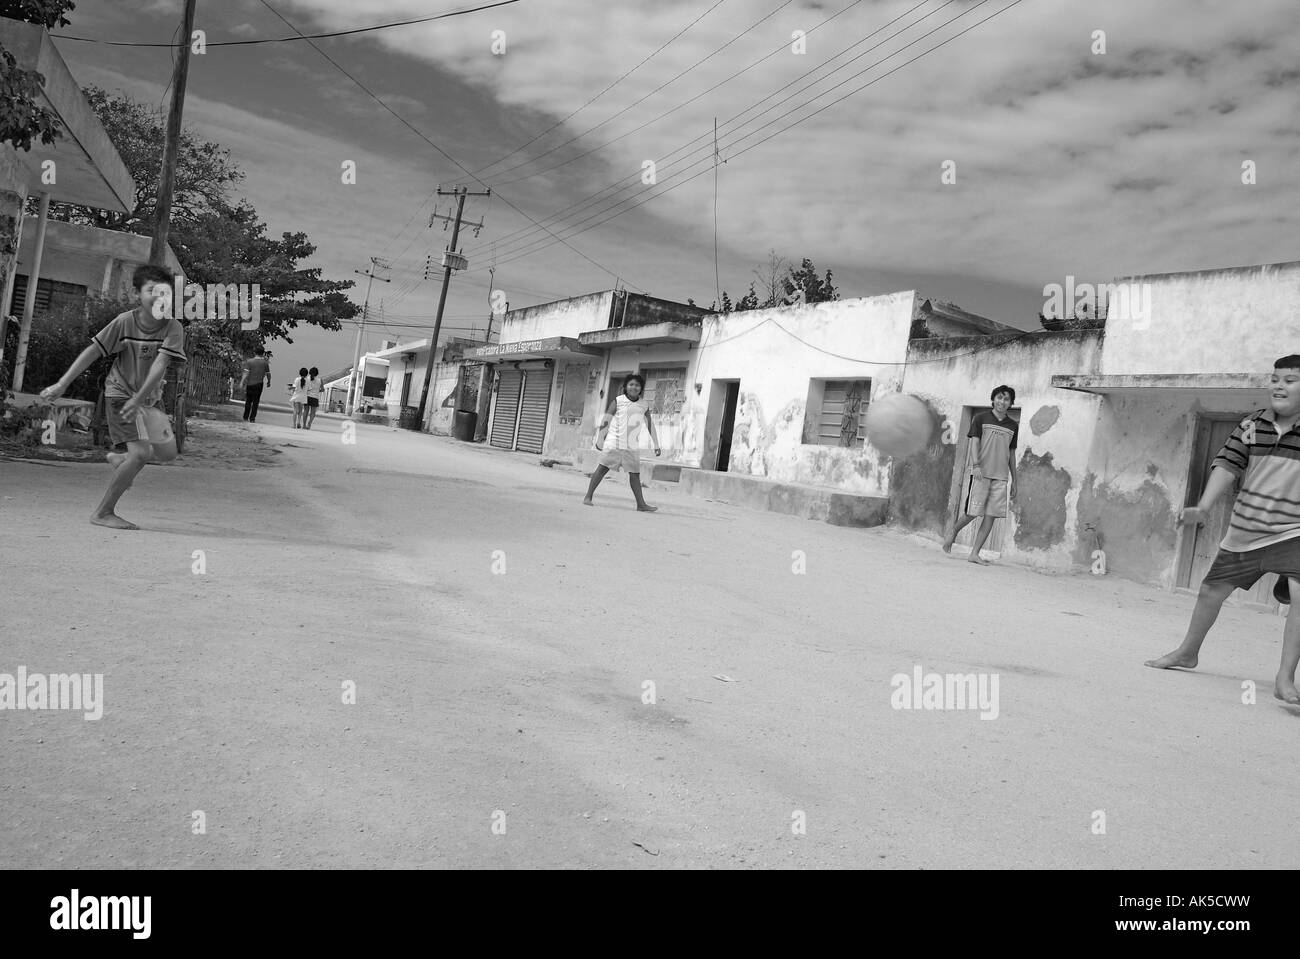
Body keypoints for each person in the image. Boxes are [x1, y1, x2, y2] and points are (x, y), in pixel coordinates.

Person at [1146, 356, 1300, 704]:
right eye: (1275, 379)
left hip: (1293, 531)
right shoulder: (1251, 425)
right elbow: (1228, 465)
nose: (1279, 385)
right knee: (1211, 591)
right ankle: (1187, 652)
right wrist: (1203, 507)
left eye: (1290, 380)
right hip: (1245, 529)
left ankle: (1285, 679)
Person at [38, 264, 185, 530]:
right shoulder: (124, 322)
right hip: (120, 394)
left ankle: (120, 460)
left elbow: (159, 365)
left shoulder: (173, 327)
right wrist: (62, 383)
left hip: (146, 399)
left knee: (167, 454)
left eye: (165, 292)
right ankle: (104, 512)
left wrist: (141, 399)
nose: (159, 297)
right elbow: (93, 351)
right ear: (136, 294)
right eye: (152, 290)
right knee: (141, 454)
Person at [942, 385, 1019, 564]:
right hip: (980, 474)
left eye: (1006, 399)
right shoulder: (980, 418)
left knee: (991, 515)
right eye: (999, 397)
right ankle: (954, 530)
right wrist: (975, 465)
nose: (1002, 401)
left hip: (1000, 477)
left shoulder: (1012, 426)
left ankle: (974, 553)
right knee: (972, 512)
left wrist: (1015, 480)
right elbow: (974, 444)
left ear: (1011, 403)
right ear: (993, 399)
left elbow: (1012, 454)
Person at [584, 373, 661, 511]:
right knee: (602, 469)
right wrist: (600, 438)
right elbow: (606, 419)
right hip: (614, 442)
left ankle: (641, 504)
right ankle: (588, 496)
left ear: (641, 388)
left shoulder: (644, 404)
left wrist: (656, 444)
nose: (634, 387)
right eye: (631, 384)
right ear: (625, 386)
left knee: (635, 474)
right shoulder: (618, 401)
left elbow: (650, 424)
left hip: (631, 445)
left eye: (637, 385)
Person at [239, 347, 271, 422]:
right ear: (263, 353)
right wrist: (269, 381)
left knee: (248, 401)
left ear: (255, 352)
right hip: (259, 384)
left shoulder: (249, 361)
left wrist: (242, 382)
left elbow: (246, 373)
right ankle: (252, 418)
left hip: (250, 383)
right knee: (256, 402)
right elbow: (268, 374)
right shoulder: (265, 363)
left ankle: (245, 417)